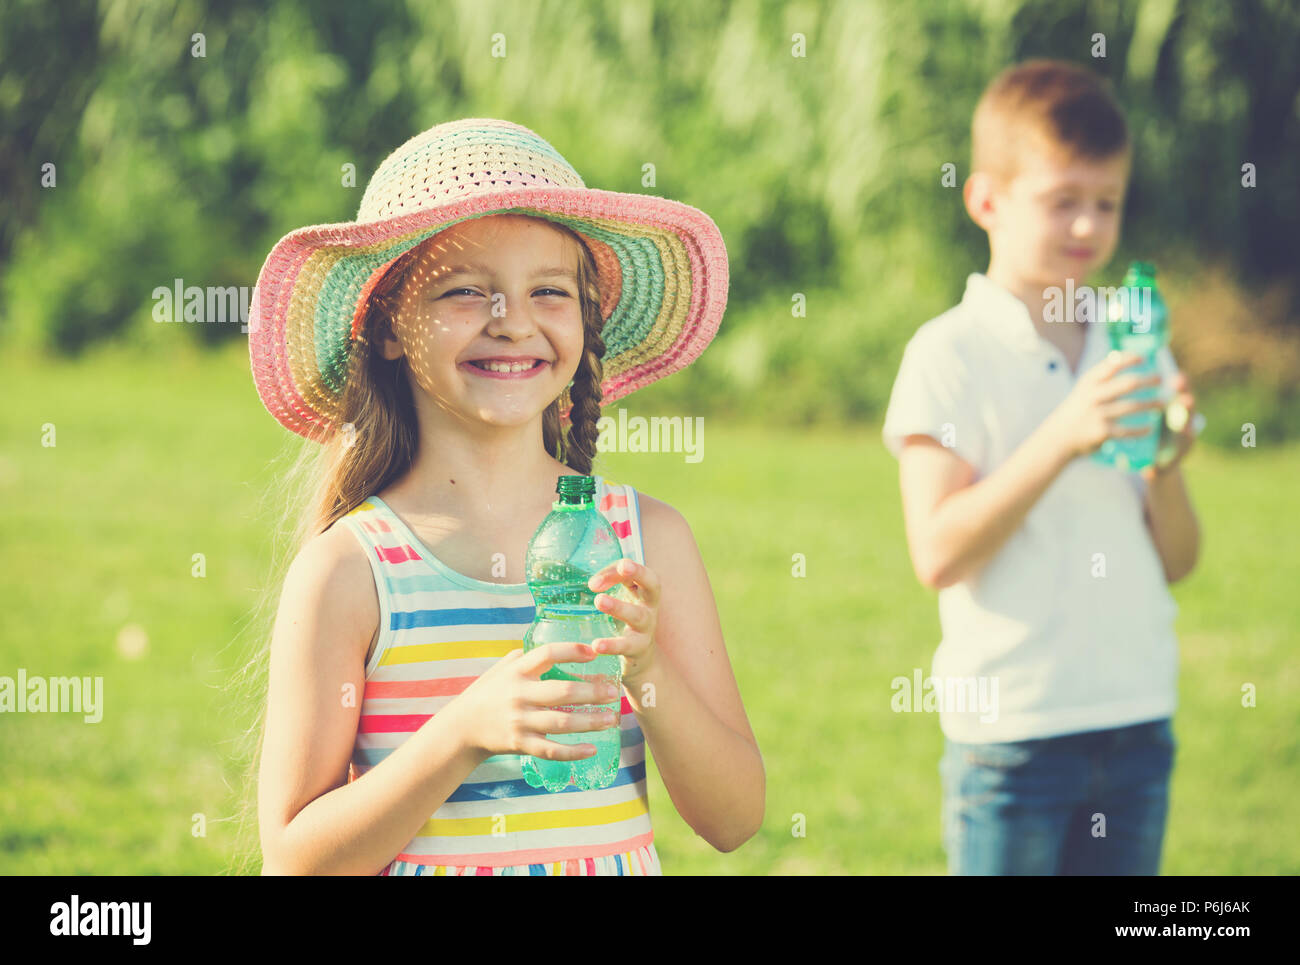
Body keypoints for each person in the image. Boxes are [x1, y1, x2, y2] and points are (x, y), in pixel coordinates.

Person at [247, 118, 763, 875]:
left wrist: (646, 668)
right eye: (465, 290)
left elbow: (735, 817)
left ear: (586, 318)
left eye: (548, 291)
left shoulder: (647, 541)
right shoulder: (351, 572)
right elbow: (295, 860)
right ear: (389, 326)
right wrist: (461, 732)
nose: (512, 321)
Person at [881, 61, 1201, 875]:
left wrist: (1166, 464)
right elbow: (938, 552)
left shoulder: (1136, 342)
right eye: (1063, 201)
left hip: (1136, 721)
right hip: (1014, 740)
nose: (1089, 228)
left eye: (1107, 203)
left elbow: (1180, 560)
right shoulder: (948, 352)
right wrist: (1064, 435)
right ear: (987, 199)